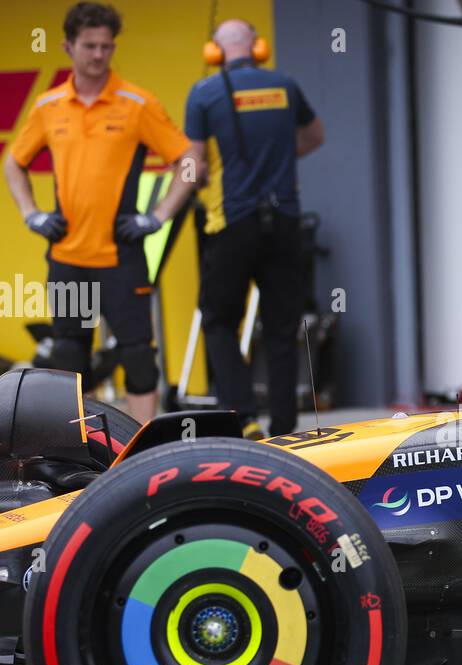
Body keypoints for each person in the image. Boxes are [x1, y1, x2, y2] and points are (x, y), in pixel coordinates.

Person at [3, 2, 202, 423]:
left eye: (106, 47)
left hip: (121, 259)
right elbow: (13, 163)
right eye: (89, 46)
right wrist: (31, 214)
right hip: (68, 257)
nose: (98, 55)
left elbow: (189, 162)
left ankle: (143, 446)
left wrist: (158, 216)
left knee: (138, 355)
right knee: (69, 355)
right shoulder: (48, 106)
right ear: (68, 46)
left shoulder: (136, 103)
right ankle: (82, 444)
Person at [184, 19, 325, 440]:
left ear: (216, 51)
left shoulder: (204, 92)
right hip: (284, 221)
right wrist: (280, 157)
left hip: (232, 223)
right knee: (281, 325)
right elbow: (315, 136)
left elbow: (192, 162)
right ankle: (285, 428)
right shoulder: (284, 85)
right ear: (257, 47)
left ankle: (243, 418)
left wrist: (197, 175)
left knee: (219, 321)